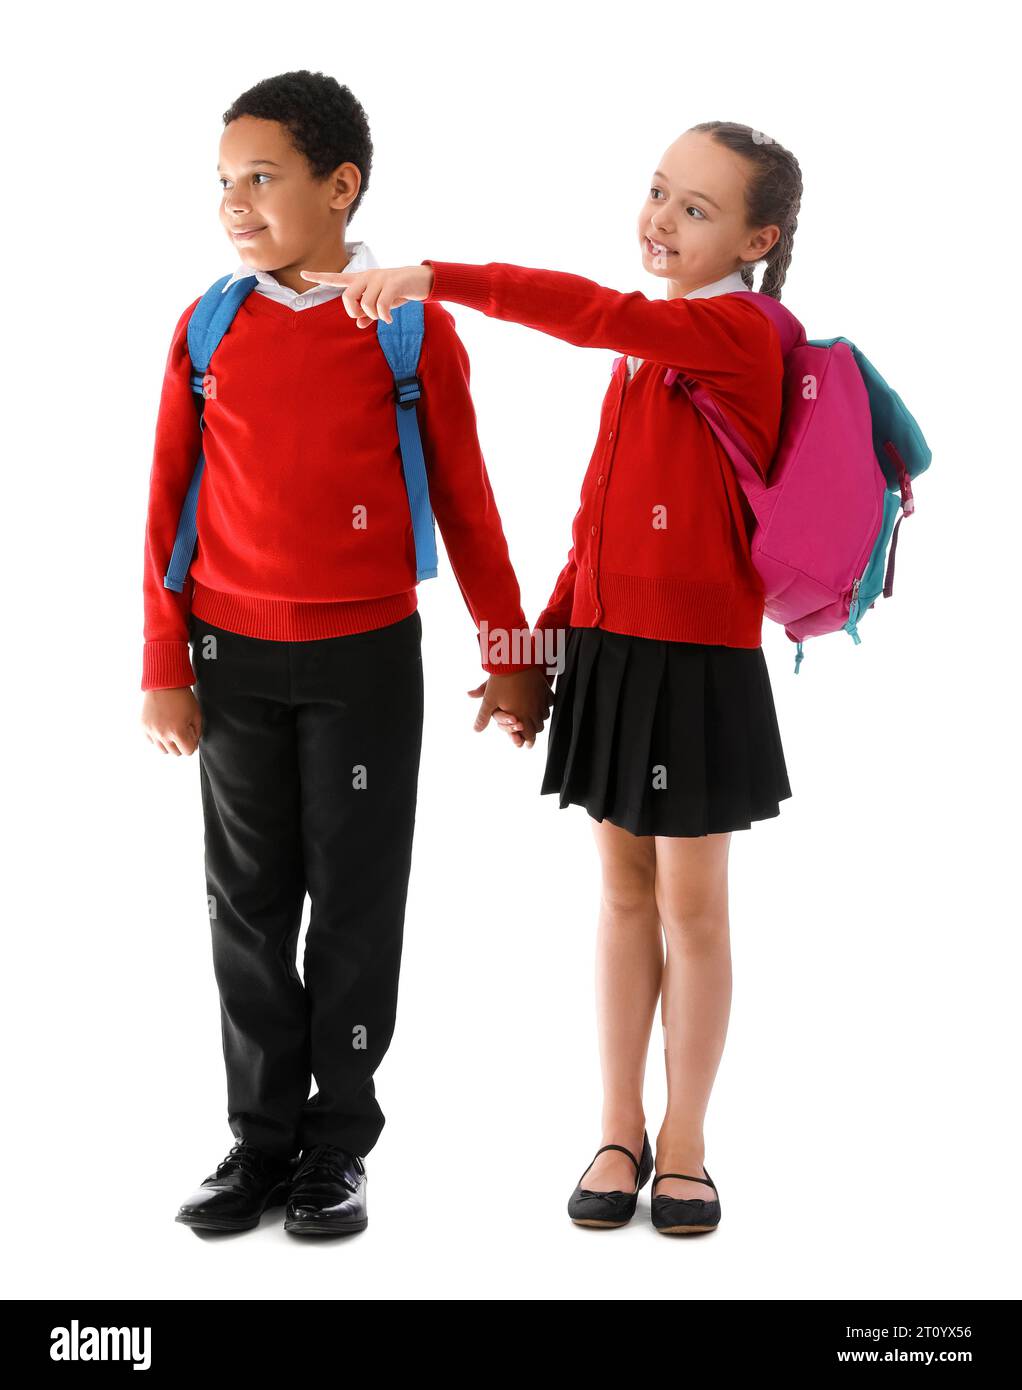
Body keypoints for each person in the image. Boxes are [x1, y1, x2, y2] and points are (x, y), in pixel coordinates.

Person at [301, 120, 800, 1235]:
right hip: (612, 657)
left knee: (692, 909)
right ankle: (616, 1129)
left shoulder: (732, 335)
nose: (661, 221)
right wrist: (529, 657)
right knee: (622, 898)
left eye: (697, 210)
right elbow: (595, 529)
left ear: (757, 239)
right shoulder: (655, 346)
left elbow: (583, 309)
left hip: (697, 661)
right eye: (659, 192)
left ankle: (686, 1143)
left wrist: (437, 277)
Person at [140, 69, 550, 1237]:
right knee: (247, 905)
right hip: (229, 655)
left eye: (261, 177)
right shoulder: (207, 326)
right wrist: (162, 659)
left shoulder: (410, 327)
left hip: (366, 657)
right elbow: (166, 502)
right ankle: (257, 1141)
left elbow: (470, 502)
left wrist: (513, 650)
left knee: (358, 901)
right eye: (224, 180)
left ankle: (338, 1142)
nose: (234, 201)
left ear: (340, 186)